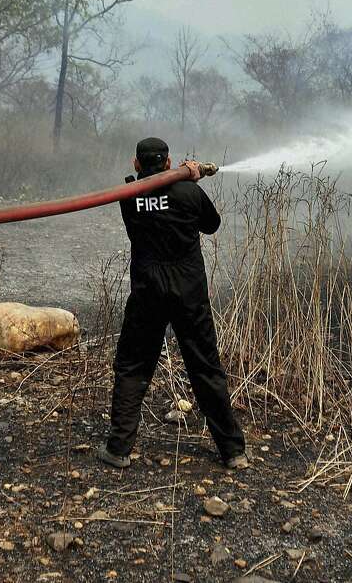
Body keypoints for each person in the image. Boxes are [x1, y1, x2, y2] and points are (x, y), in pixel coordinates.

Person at [95, 137, 248, 470]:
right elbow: (212, 225)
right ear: (168, 162)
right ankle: (233, 451)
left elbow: (149, 204)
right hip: (189, 293)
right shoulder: (189, 192)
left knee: (133, 366)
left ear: (137, 164)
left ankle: (118, 449)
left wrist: (181, 179)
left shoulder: (129, 196)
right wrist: (188, 180)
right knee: (205, 367)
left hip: (147, 291)